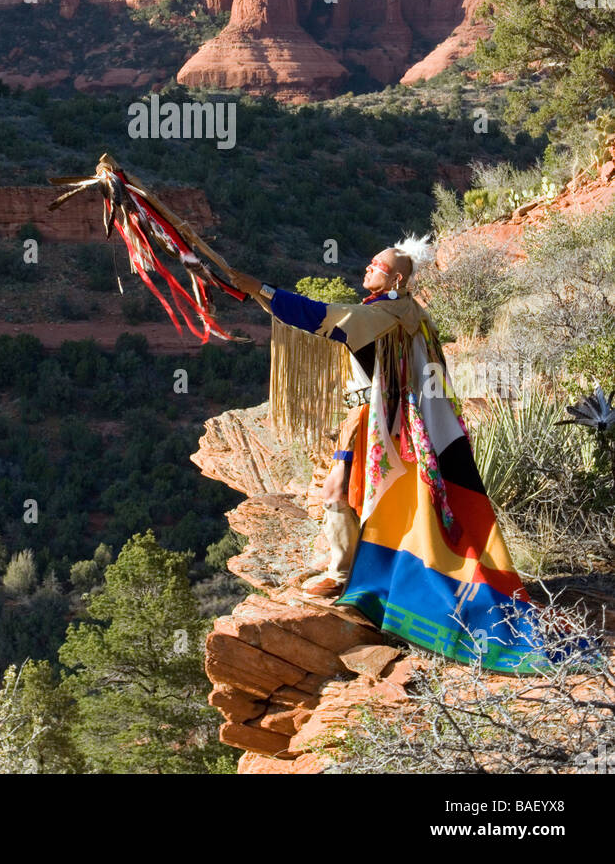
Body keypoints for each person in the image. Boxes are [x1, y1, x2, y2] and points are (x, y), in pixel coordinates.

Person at [226, 241, 549, 674]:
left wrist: (261, 290)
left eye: (376, 266)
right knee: (352, 491)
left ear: (396, 278)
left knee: (341, 490)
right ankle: (349, 566)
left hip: (377, 418)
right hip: (397, 419)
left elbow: (322, 317)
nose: (367, 268)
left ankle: (347, 576)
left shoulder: (384, 315)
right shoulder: (413, 314)